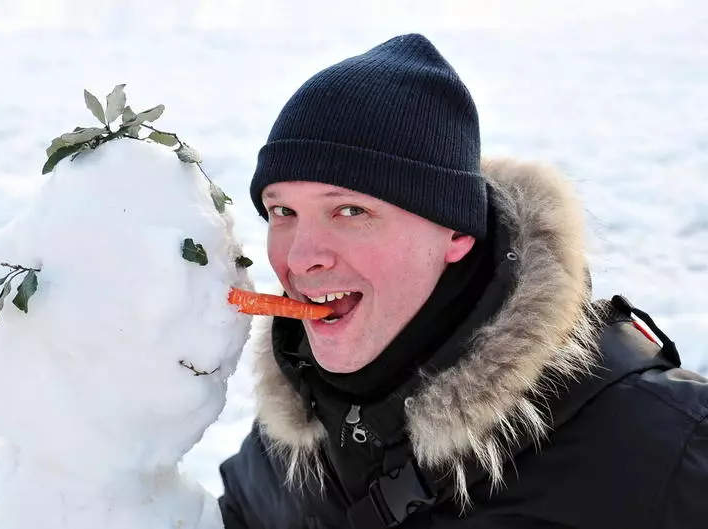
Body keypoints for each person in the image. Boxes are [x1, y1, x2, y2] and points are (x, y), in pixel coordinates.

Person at [217, 33, 708, 529]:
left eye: (350, 210)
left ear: (456, 234)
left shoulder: (670, 451)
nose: (300, 257)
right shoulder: (284, 449)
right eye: (283, 211)